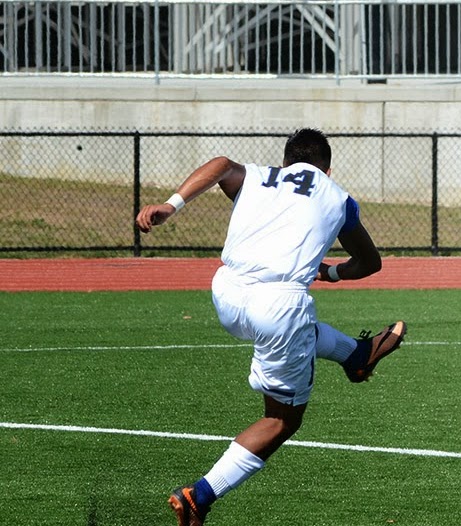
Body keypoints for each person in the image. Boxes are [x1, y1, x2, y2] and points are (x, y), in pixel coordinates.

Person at [135, 128, 408, 525]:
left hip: (227, 293)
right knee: (282, 419)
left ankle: (356, 355)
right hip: (278, 306)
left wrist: (171, 205)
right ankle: (199, 496)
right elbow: (370, 263)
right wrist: (328, 273)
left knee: (302, 332)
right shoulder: (338, 197)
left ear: (286, 163)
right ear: (327, 170)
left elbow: (221, 165)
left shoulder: (261, 177)